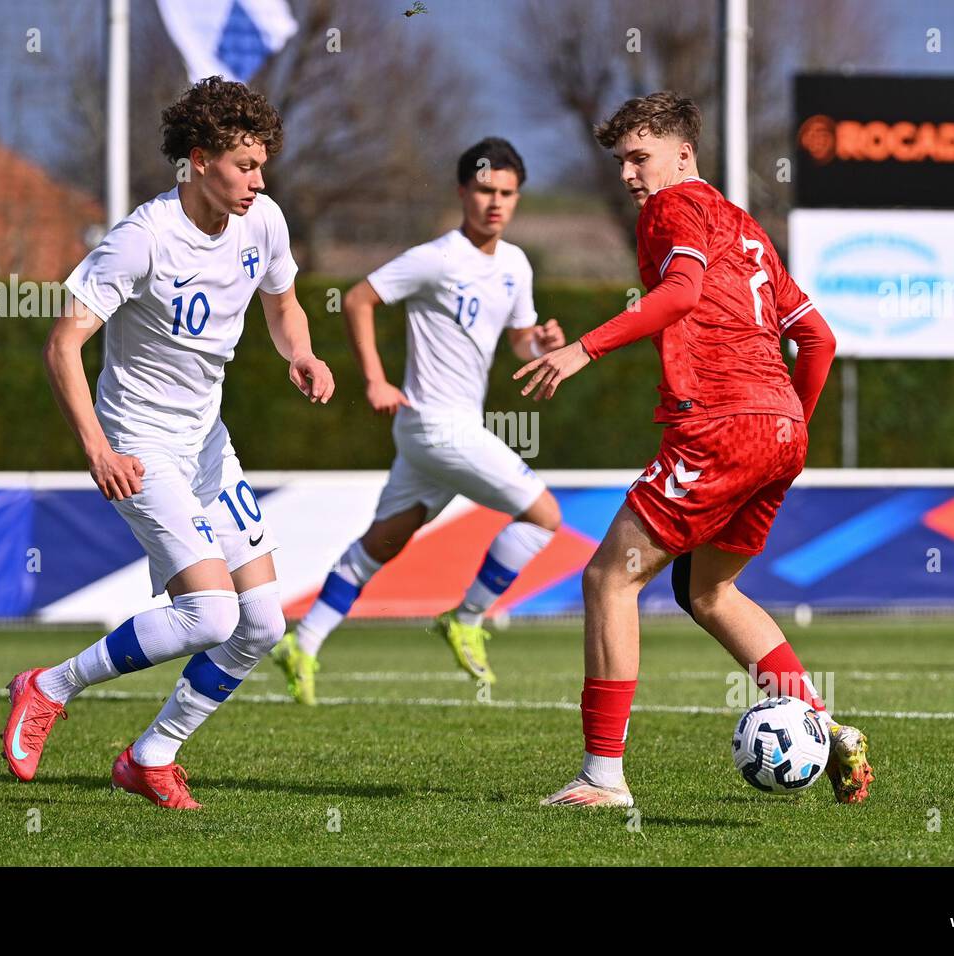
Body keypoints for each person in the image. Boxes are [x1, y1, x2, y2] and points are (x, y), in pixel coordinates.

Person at [514, 91, 873, 807]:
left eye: (639, 157)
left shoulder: (671, 209)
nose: (628, 174)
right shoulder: (748, 230)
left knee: (608, 579)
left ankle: (603, 778)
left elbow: (679, 294)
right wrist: (785, 424)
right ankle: (828, 728)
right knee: (708, 590)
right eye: (620, 161)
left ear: (683, 154)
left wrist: (585, 349)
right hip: (779, 432)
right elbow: (819, 339)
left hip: (720, 425)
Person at [0, 76, 334, 809]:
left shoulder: (264, 222)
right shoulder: (143, 238)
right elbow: (63, 345)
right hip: (138, 441)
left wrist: (300, 354)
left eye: (262, 164)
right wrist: (97, 449)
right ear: (199, 158)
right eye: (244, 165)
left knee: (263, 623)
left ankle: (151, 756)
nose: (258, 179)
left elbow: (284, 308)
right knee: (211, 615)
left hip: (206, 444)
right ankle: (47, 687)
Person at [272, 138, 566, 704]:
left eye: (506, 193)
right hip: (436, 424)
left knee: (385, 541)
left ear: (517, 197)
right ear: (463, 192)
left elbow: (521, 341)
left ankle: (302, 644)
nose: (495, 202)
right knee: (545, 516)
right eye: (484, 190)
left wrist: (541, 344)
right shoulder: (437, 257)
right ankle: (467, 618)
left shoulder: (515, 265)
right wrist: (376, 380)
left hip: (442, 431)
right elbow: (359, 299)